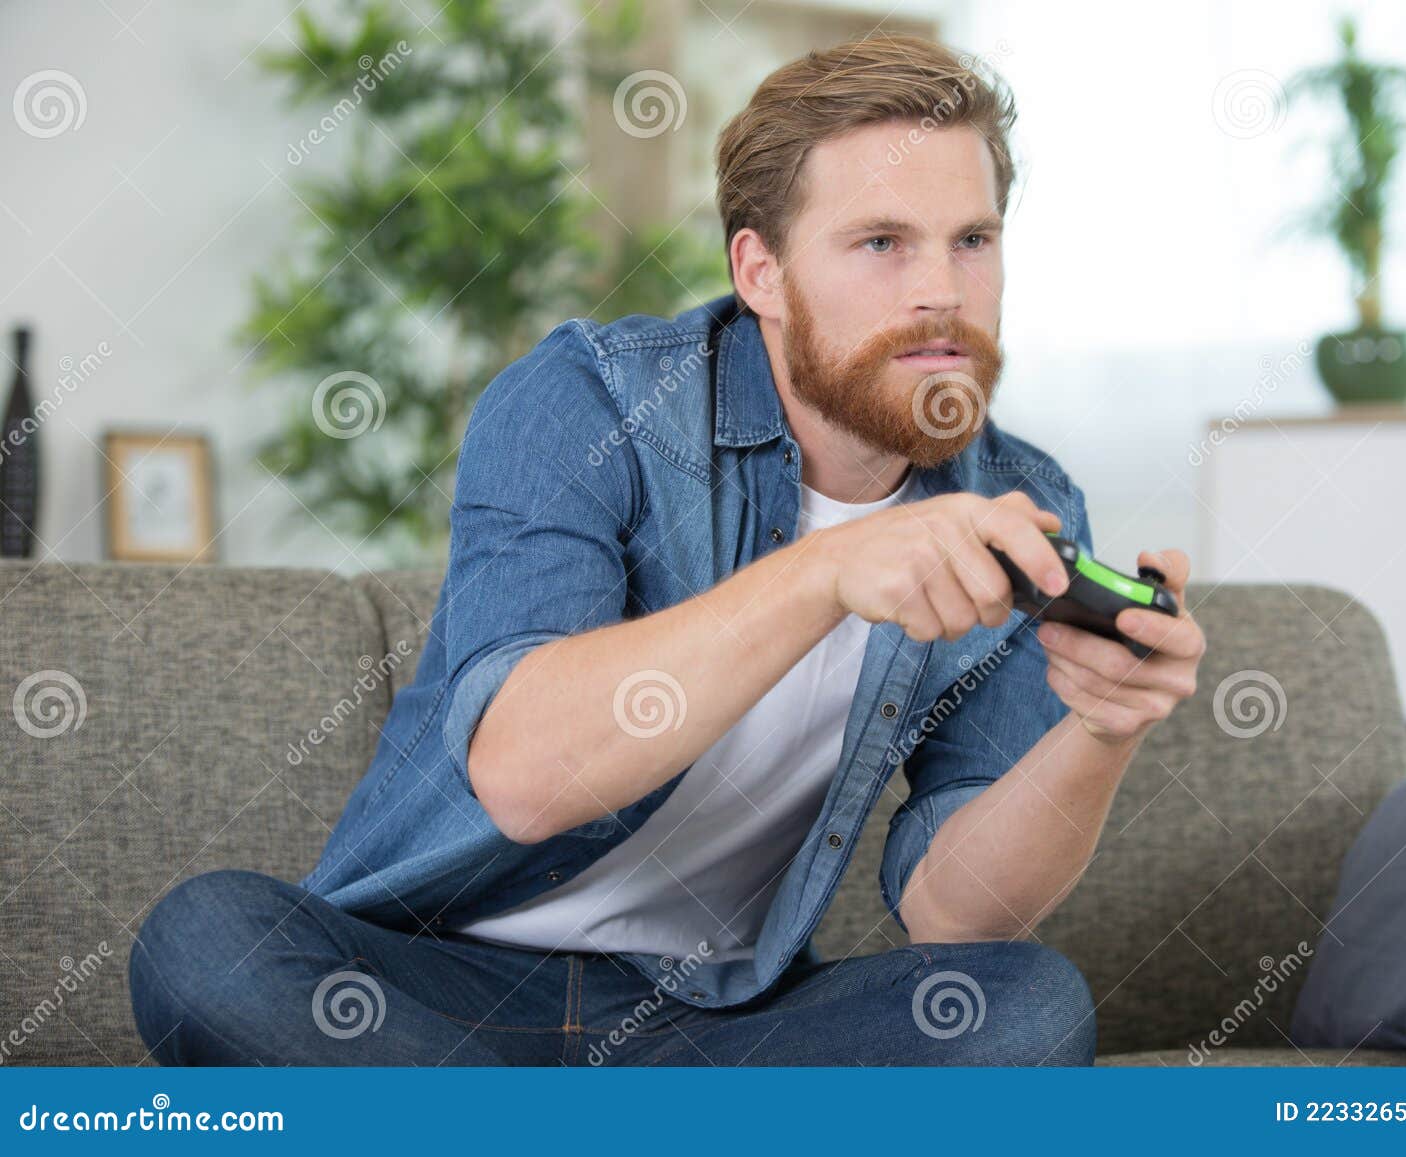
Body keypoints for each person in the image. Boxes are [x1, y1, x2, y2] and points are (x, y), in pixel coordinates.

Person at [129, 32, 1205, 1067]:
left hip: (707, 1026)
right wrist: (829, 570)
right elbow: (523, 775)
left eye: (971, 240)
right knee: (208, 942)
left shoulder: (1023, 502)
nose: (941, 290)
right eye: (881, 243)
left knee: (1020, 1009)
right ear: (762, 272)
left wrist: (1103, 728)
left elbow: (954, 906)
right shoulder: (590, 400)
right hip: (431, 986)